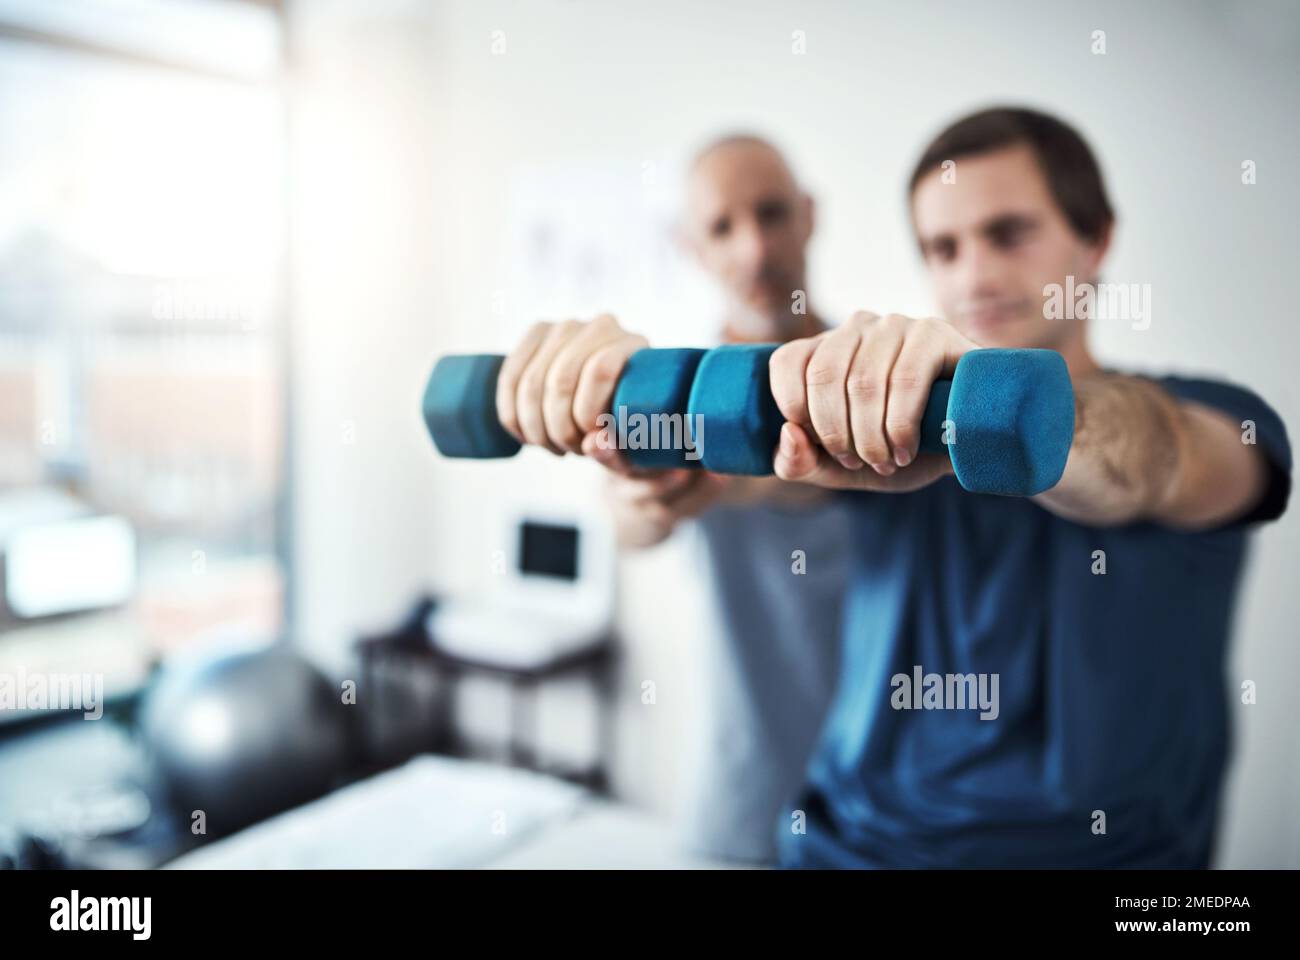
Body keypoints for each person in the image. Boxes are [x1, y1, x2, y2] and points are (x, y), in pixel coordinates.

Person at [492, 107, 1290, 867]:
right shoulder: (898, 438)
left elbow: (1153, 459)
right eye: (943, 249)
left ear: (1096, 239)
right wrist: (625, 427)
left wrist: (1020, 416)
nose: (974, 274)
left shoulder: (1218, 419)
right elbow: (744, 481)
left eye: (1008, 234)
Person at [499, 134, 851, 864]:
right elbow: (630, 519)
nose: (754, 248)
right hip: (744, 800)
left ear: (809, 216)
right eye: (723, 226)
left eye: (772, 213)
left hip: (884, 801)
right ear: (692, 247)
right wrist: (647, 492)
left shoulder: (877, 384)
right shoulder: (675, 399)